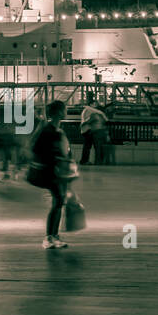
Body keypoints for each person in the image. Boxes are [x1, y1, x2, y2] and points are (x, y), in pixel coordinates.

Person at [30, 100, 74, 249]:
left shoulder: (54, 129)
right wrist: (55, 159)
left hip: (55, 171)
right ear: (58, 112)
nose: (66, 111)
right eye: (64, 109)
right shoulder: (49, 130)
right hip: (50, 171)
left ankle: (53, 236)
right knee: (58, 201)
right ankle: (50, 237)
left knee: (59, 201)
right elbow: (37, 149)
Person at [79, 98, 108, 166]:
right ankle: (85, 161)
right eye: (94, 103)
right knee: (88, 146)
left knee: (87, 146)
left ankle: (84, 160)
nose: (96, 105)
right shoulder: (89, 111)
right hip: (88, 130)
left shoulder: (87, 110)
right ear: (90, 104)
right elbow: (89, 120)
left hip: (86, 130)